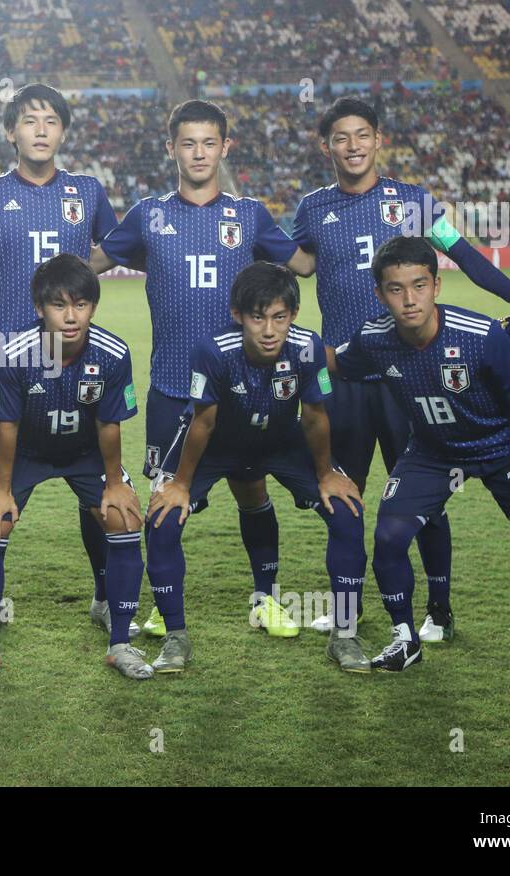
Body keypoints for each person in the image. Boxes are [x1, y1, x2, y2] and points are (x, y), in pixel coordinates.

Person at [292, 96, 510, 641]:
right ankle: (346, 611)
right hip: (344, 374)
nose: (353, 145)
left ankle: (438, 611)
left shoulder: (412, 201)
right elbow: (293, 265)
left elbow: (465, 254)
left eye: (362, 134)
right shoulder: (312, 208)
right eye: (341, 137)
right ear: (326, 147)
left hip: (411, 375)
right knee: (342, 494)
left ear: (378, 139)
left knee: (424, 496)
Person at [89, 99, 311, 646]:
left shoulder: (250, 214)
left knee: (253, 492)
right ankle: (168, 613)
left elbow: (303, 263)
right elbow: (89, 263)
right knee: (168, 505)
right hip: (170, 389)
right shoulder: (147, 214)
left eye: (209, 143)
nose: (198, 153)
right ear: (172, 149)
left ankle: (265, 598)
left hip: (240, 389)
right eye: (187, 143)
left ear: (225, 148)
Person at [326, 236, 510, 689]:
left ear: (437, 286)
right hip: (432, 454)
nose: (409, 299)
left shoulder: (480, 335)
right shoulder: (374, 339)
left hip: (501, 449)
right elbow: (336, 365)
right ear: (380, 294)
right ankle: (405, 638)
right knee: (388, 536)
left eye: (418, 285)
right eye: (396, 289)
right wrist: (284, 353)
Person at [0, 83, 124, 639]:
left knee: (96, 494)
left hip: (75, 364)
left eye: (51, 121)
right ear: (11, 131)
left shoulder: (87, 191)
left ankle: (105, 594)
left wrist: (73, 281)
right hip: (6, 364)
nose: (41, 130)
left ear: (63, 131)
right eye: (29, 120)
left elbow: (112, 247)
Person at [146, 263, 369, 673]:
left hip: (282, 441)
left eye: (279, 317)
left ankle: (345, 634)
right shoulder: (212, 350)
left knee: (348, 513)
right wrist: (180, 484)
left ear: (293, 315)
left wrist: (325, 474)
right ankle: (175, 636)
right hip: (215, 444)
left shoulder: (308, 347)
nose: (269, 329)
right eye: (258, 317)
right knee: (162, 518)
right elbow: (203, 421)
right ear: (237, 314)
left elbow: (315, 415)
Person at [0, 254, 148, 682]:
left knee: (122, 518)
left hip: (85, 450)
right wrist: (1, 489)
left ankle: (120, 641)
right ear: (39, 308)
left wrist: (115, 483)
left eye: (81, 304)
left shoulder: (112, 352)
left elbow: (108, 424)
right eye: (60, 306)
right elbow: (6, 427)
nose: (71, 316)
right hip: (24, 451)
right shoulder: (12, 353)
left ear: (93, 306)